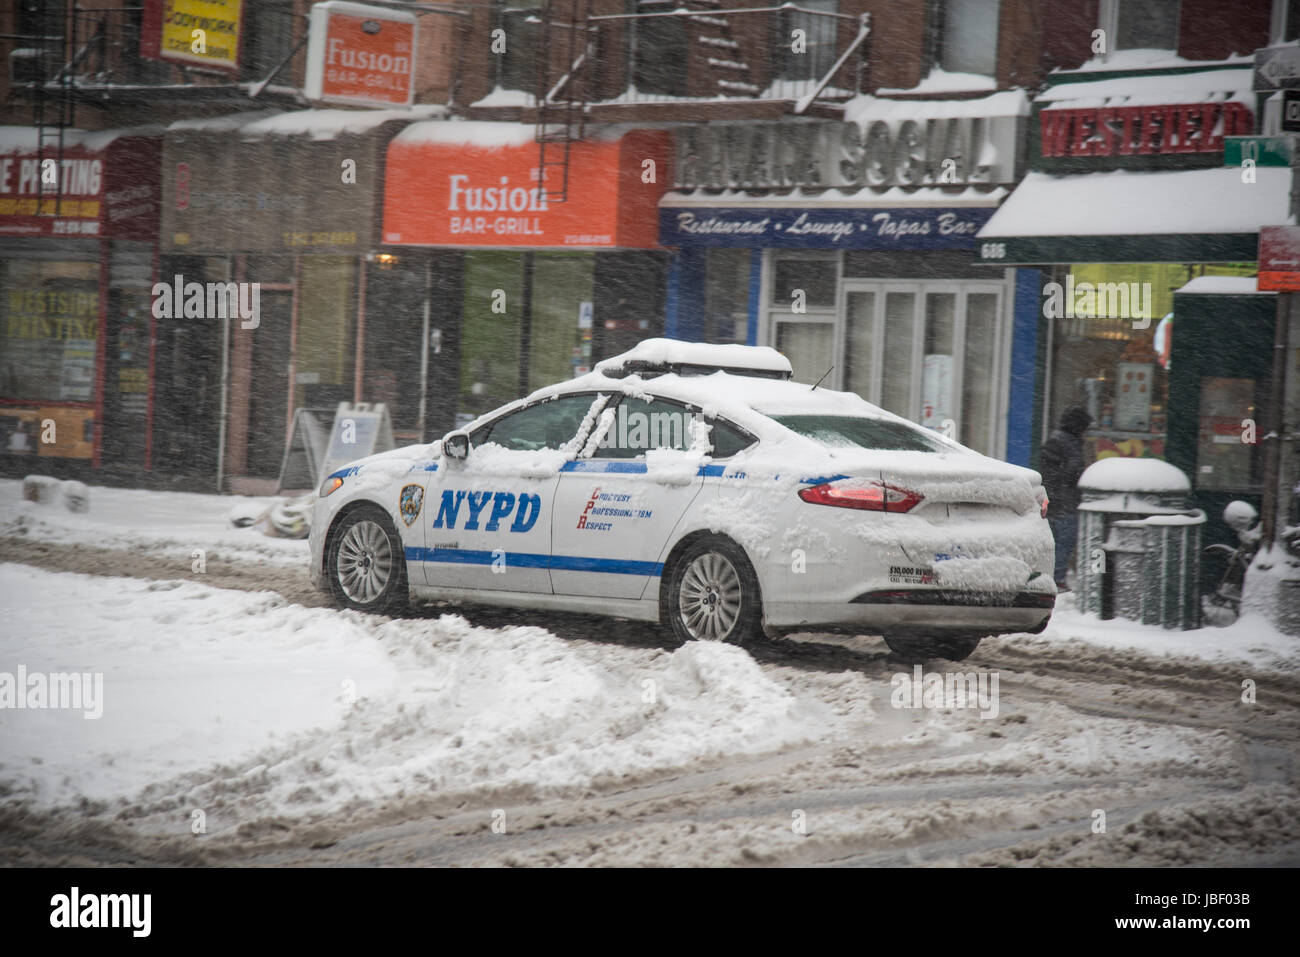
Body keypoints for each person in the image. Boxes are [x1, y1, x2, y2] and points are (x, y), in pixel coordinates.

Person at [1039, 405, 1092, 590]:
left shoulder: (1065, 441)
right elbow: (1057, 473)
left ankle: (1054, 577)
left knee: (1059, 542)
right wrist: (1079, 475)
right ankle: (1055, 579)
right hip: (1063, 503)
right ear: (1078, 426)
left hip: (1060, 501)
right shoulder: (1063, 442)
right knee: (1064, 542)